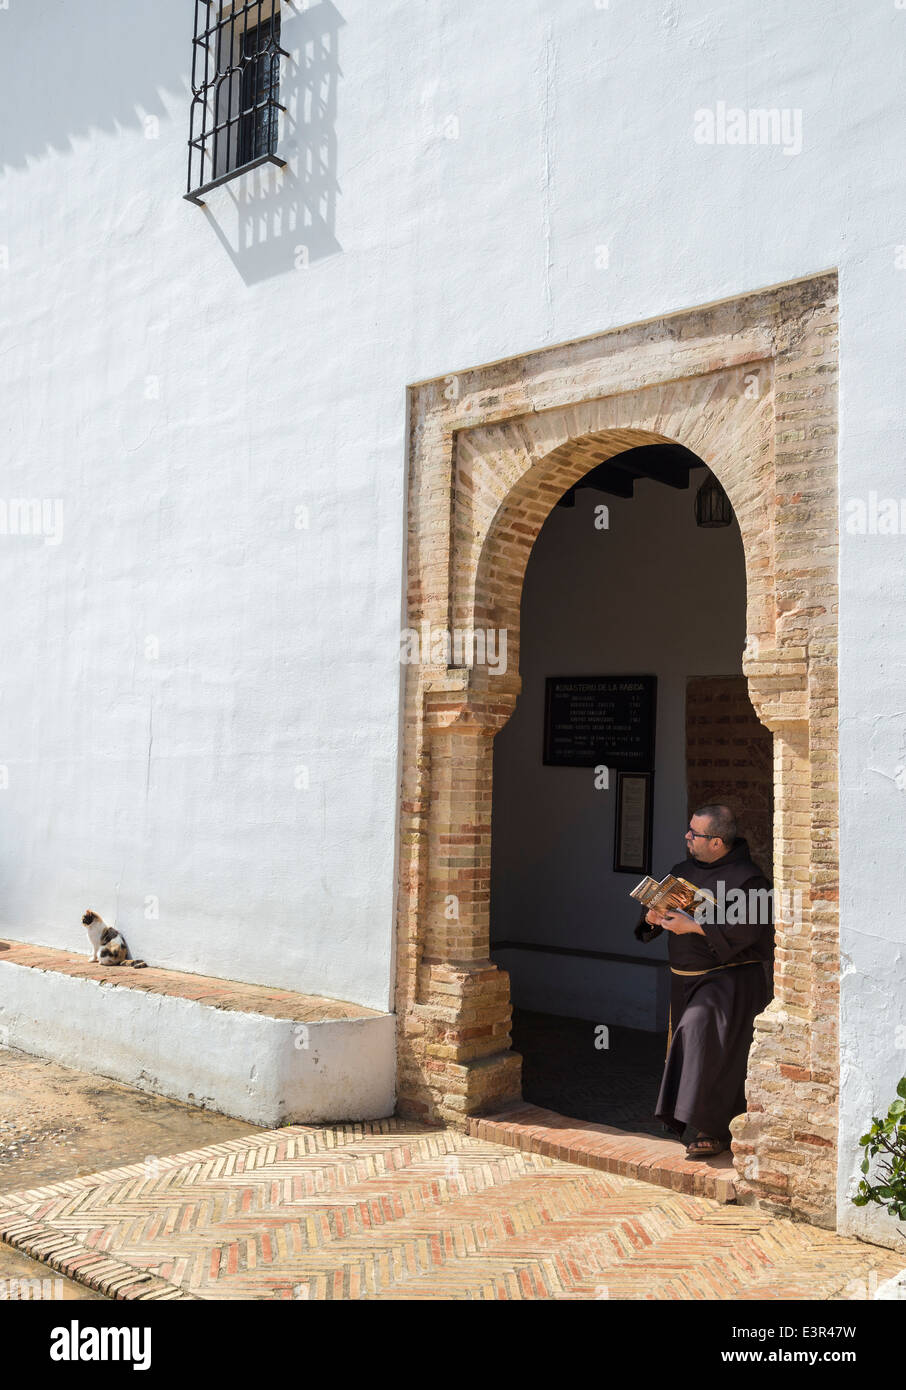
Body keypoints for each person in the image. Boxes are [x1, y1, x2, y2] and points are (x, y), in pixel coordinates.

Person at [634, 804, 774, 1159]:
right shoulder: (682, 871)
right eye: (688, 831)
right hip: (683, 979)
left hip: (727, 982)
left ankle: (710, 1128)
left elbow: (750, 931)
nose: (687, 837)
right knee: (697, 1050)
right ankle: (689, 1120)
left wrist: (694, 925)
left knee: (701, 1039)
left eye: (694, 834)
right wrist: (654, 917)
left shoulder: (750, 880)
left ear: (717, 842)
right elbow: (665, 916)